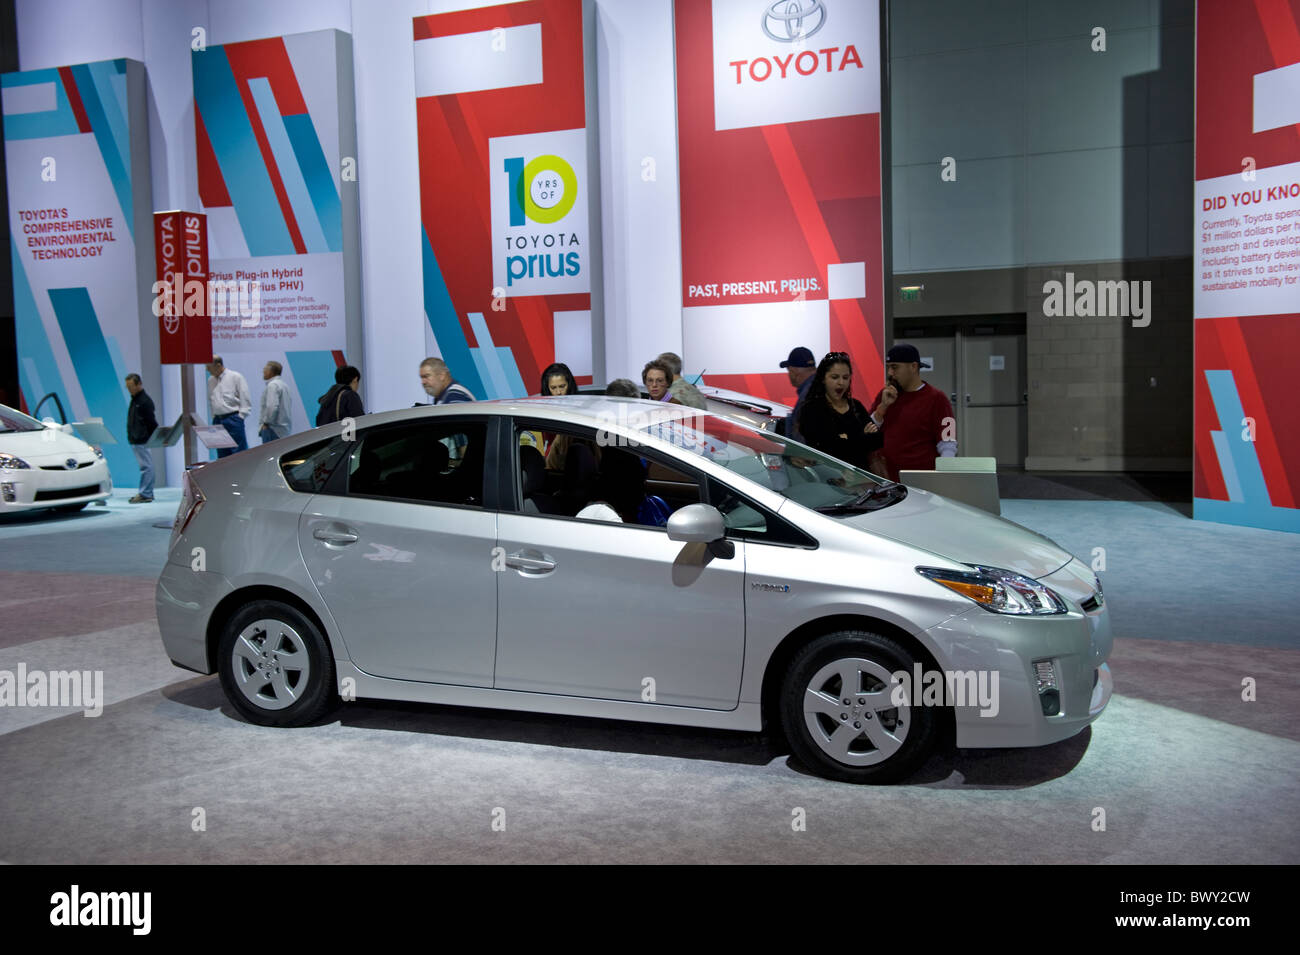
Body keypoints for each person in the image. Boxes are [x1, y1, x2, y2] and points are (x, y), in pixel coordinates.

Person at [867, 343, 957, 481]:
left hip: (921, 481)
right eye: (889, 367)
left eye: (895, 367)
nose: (890, 373)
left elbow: (947, 442)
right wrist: (883, 407)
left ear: (913, 367)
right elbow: (868, 431)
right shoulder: (885, 395)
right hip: (886, 480)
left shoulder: (937, 398)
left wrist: (944, 477)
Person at [797, 352, 882, 472]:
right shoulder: (812, 409)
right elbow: (831, 449)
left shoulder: (856, 406)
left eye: (845, 378)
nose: (841, 383)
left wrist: (847, 439)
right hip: (828, 480)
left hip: (861, 479)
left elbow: (877, 439)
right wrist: (862, 436)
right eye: (835, 377)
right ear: (823, 378)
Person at [206, 356, 252, 457]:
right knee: (222, 454)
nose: (207, 370)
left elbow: (245, 398)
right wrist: (214, 417)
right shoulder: (211, 381)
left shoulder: (235, 377)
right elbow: (211, 400)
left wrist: (240, 417)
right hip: (218, 420)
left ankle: (240, 472)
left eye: (209, 367)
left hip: (233, 419)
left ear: (218, 365)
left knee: (238, 453)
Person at [124, 373, 157, 503]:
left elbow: (151, 422)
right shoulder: (136, 399)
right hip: (136, 438)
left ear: (139, 384)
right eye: (127, 387)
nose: (129, 390)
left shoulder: (144, 401)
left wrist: (148, 437)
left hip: (141, 439)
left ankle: (146, 493)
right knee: (146, 466)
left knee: (146, 467)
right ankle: (146, 492)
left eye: (131, 386)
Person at [779, 346, 817, 441]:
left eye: (788, 370)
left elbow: (801, 440)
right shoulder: (823, 386)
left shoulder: (807, 396)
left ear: (794, 372)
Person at [258, 360, 292, 443]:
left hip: (273, 429)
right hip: (283, 429)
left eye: (265, 369)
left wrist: (266, 423)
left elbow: (272, 407)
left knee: (268, 454)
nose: (263, 371)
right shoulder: (284, 385)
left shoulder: (272, 385)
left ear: (271, 371)